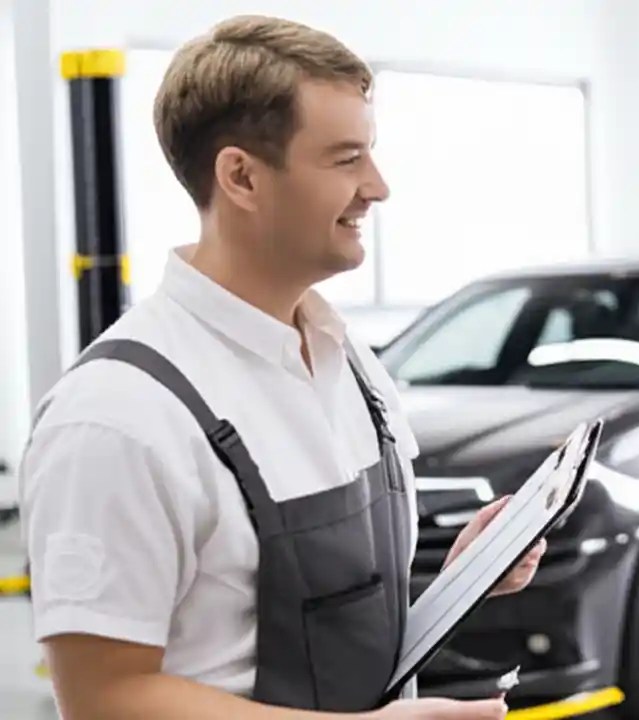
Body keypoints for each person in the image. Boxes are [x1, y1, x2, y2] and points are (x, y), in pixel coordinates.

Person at [19, 15, 540, 720]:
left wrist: (461, 580)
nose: (378, 186)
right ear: (241, 176)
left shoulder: (347, 360)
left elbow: (327, 618)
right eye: (346, 158)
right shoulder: (118, 418)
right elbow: (105, 698)